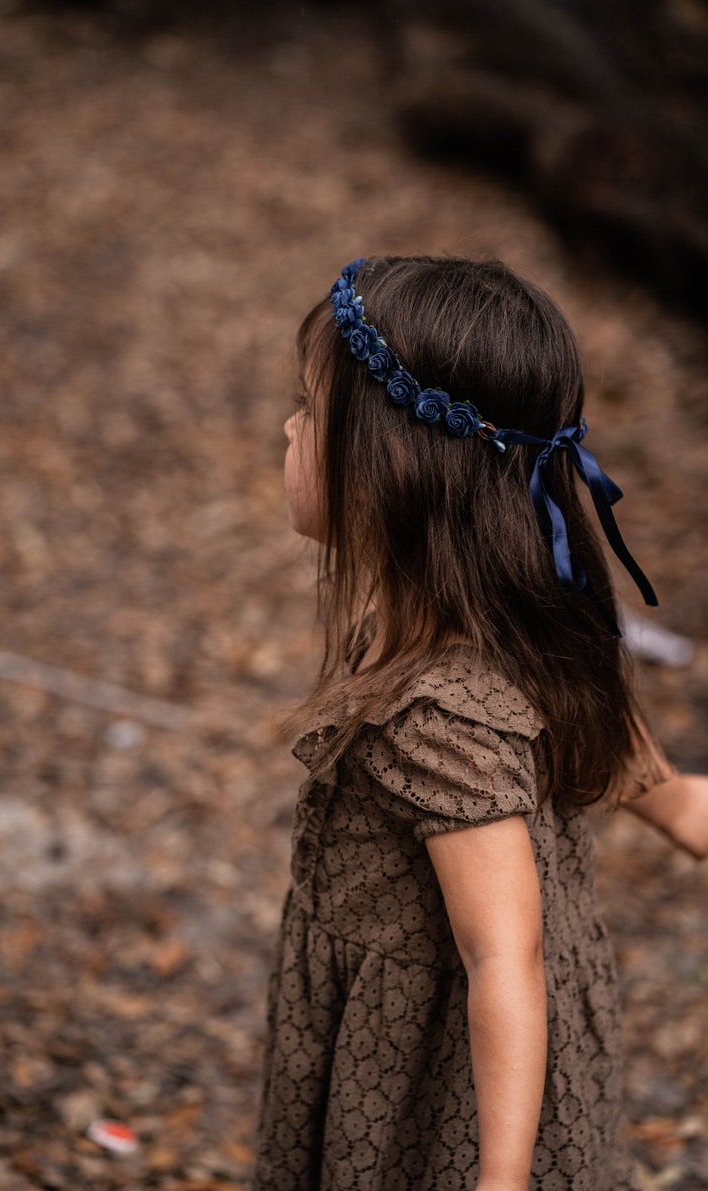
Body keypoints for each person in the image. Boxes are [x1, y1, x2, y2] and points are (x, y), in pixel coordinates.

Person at [253, 256, 708, 1191]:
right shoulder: (531, 627)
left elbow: (504, 953)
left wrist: (496, 1183)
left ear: (389, 468)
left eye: (307, 407)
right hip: (520, 1061)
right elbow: (678, 803)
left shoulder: (439, 716)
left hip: (443, 1100)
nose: (289, 429)